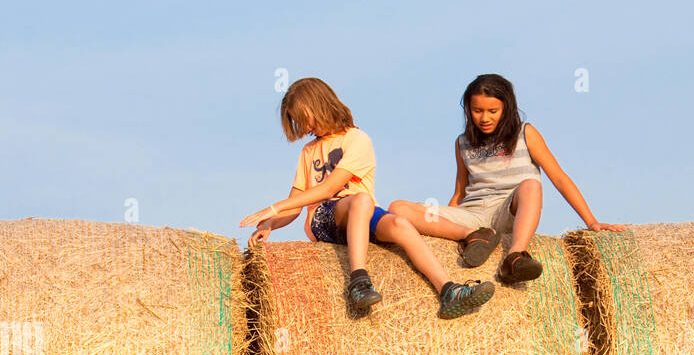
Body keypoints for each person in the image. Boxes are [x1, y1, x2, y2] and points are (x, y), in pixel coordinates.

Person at [240, 77, 494, 319]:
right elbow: (298, 201)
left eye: (303, 118)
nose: (305, 128)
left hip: (361, 214)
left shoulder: (358, 140)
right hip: (325, 220)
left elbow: (330, 186)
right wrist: (270, 223)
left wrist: (272, 209)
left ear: (317, 104)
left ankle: (449, 290)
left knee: (399, 224)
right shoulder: (309, 151)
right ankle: (358, 281)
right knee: (362, 200)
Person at [388, 73, 626, 283]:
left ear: (506, 108)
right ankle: (472, 237)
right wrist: (444, 229)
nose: (484, 118)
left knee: (531, 184)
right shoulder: (462, 143)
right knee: (398, 208)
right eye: (477, 111)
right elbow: (460, 192)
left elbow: (559, 178)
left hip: (509, 209)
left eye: (493, 111)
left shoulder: (525, 134)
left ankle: (515, 256)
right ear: (468, 110)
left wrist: (591, 221)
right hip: (472, 215)